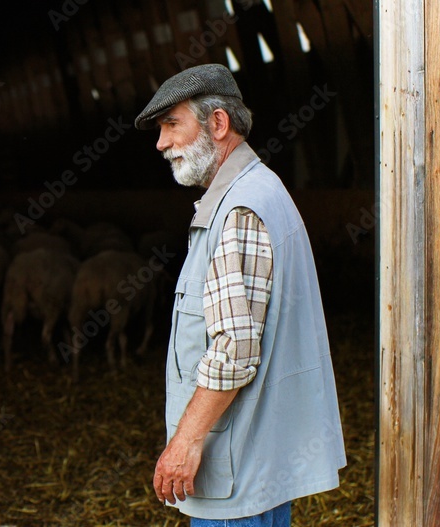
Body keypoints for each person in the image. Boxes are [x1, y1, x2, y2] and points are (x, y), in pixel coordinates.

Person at [134, 63, 346, 526]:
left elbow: (233, 348)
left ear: (218, 123)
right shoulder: (259, 191)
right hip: (257, 466)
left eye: (172, 125)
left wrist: (185, 442)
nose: (161, 143)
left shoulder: (240, 209)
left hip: (238, 477)